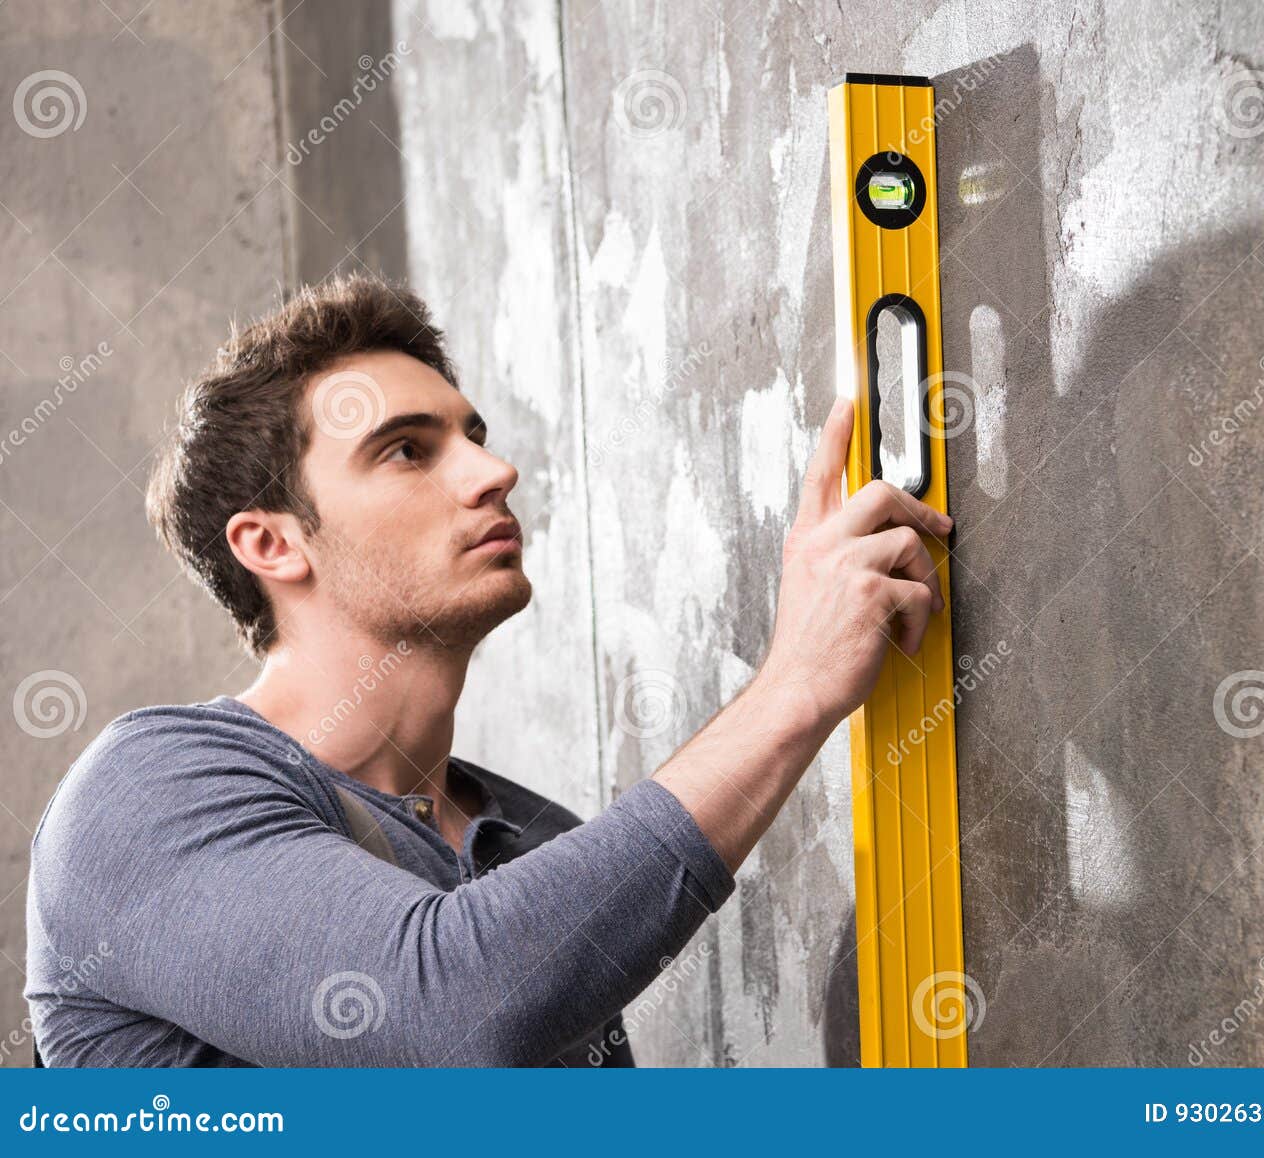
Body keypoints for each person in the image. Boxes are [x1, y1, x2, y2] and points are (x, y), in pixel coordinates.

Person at [24, 274, 949, 1066]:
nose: (492, 470)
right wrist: (795, 686)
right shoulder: (147, 791)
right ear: (272, 542)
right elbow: (445, 1014)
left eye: (474, 436)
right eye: (407, 451)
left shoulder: (528, 840)